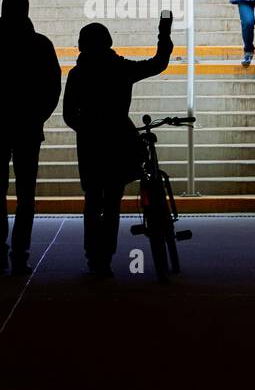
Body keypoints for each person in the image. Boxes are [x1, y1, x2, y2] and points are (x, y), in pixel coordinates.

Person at [62, 17, 173, 277]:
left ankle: (93, 257)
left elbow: (69, 114)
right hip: (117, 142)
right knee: (112, 202)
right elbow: (158, 63)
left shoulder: (77, 75)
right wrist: (164, 34)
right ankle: (106, 258)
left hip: (90, 146)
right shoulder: (120, 68)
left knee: (92, 202)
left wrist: (88, 128)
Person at [0, 0, 62, 275]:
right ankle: (21, 252)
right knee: (26, 193)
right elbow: (52, 87)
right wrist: (38, 117)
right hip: (28, 125)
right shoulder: (41, 44)